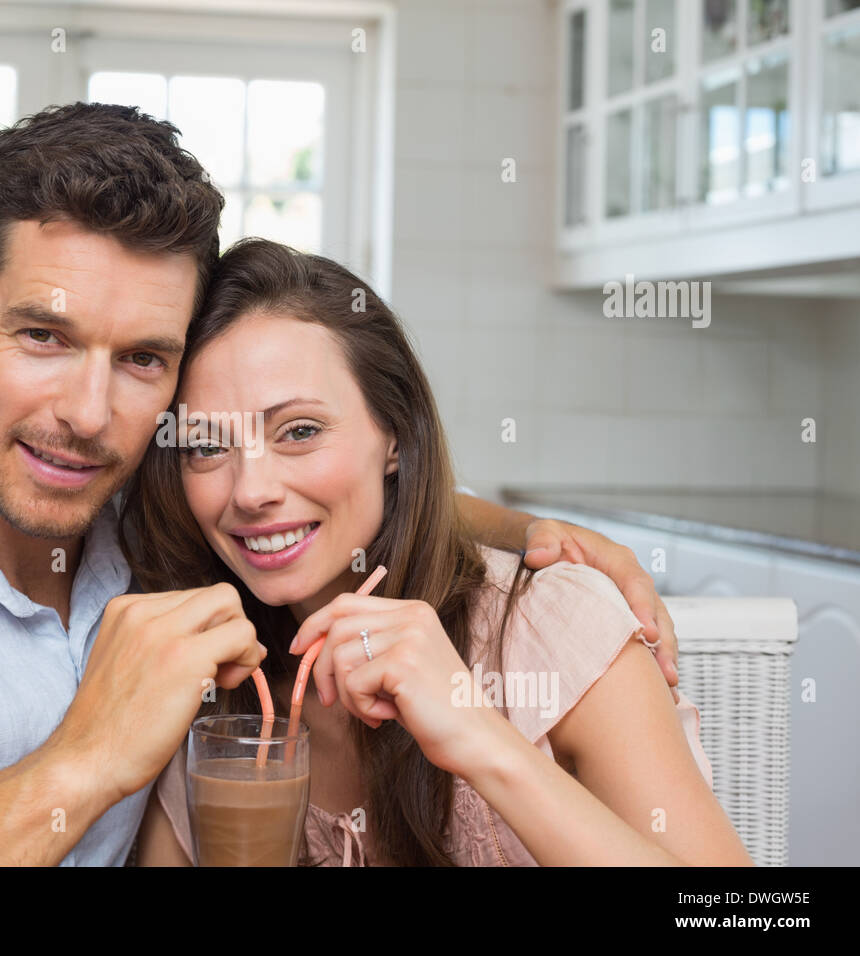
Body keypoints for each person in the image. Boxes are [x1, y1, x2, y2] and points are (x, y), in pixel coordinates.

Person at [0, 103, 682, 867]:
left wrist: (532, 528)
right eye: (42, 334)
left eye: (141, 359)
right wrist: (77, 766)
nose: (89, 412)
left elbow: (318, 482)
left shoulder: (148, 505)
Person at [126, 239, 753, 866]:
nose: (252, 491)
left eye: (300, 431)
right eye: (206, 445)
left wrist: (476, 734)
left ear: (393, 436)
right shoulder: (210, 683)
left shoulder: (551, 626)